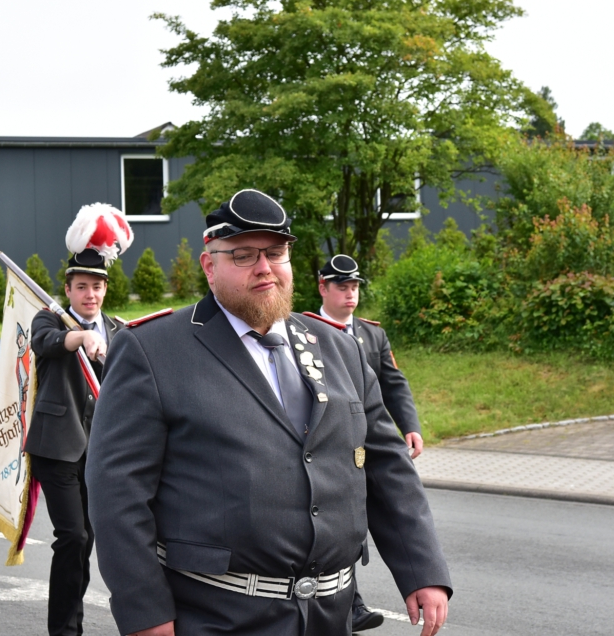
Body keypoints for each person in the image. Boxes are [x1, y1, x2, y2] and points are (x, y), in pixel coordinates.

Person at [87, 189, 452, 636]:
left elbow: (387, 465)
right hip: (217, 614)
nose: (264, 267)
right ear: (209, 266)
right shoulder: (154, 350)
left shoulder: (339, 349)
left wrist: (422, 569)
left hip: (331, 615)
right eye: (243, 255)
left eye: (276, 252)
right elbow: (117, 492)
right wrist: (145, 613)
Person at [311, 254, 425, 632]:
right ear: (323, 288)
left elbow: (393, 383)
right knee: (337, 520)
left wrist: (410, 426)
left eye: (355, 287)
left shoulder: (372, 334)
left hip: (366, 447)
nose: (351, 294)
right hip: (327, 447)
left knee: (358, 519)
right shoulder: (304, 332)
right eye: (342, 287)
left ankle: (349, 599)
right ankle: (351, 601)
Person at [25, 246, 125, 636]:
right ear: (68, 289)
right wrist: (81, 337)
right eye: (81, 286)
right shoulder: (49, 319)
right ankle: (65, 631)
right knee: (73, 535)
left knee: (85, 543)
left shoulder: (117, 330)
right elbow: (45, 343)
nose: (90, 294)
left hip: (99, 451)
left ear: (105, 289)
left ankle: (71, 621)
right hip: (56, 448)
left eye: (97, 286)